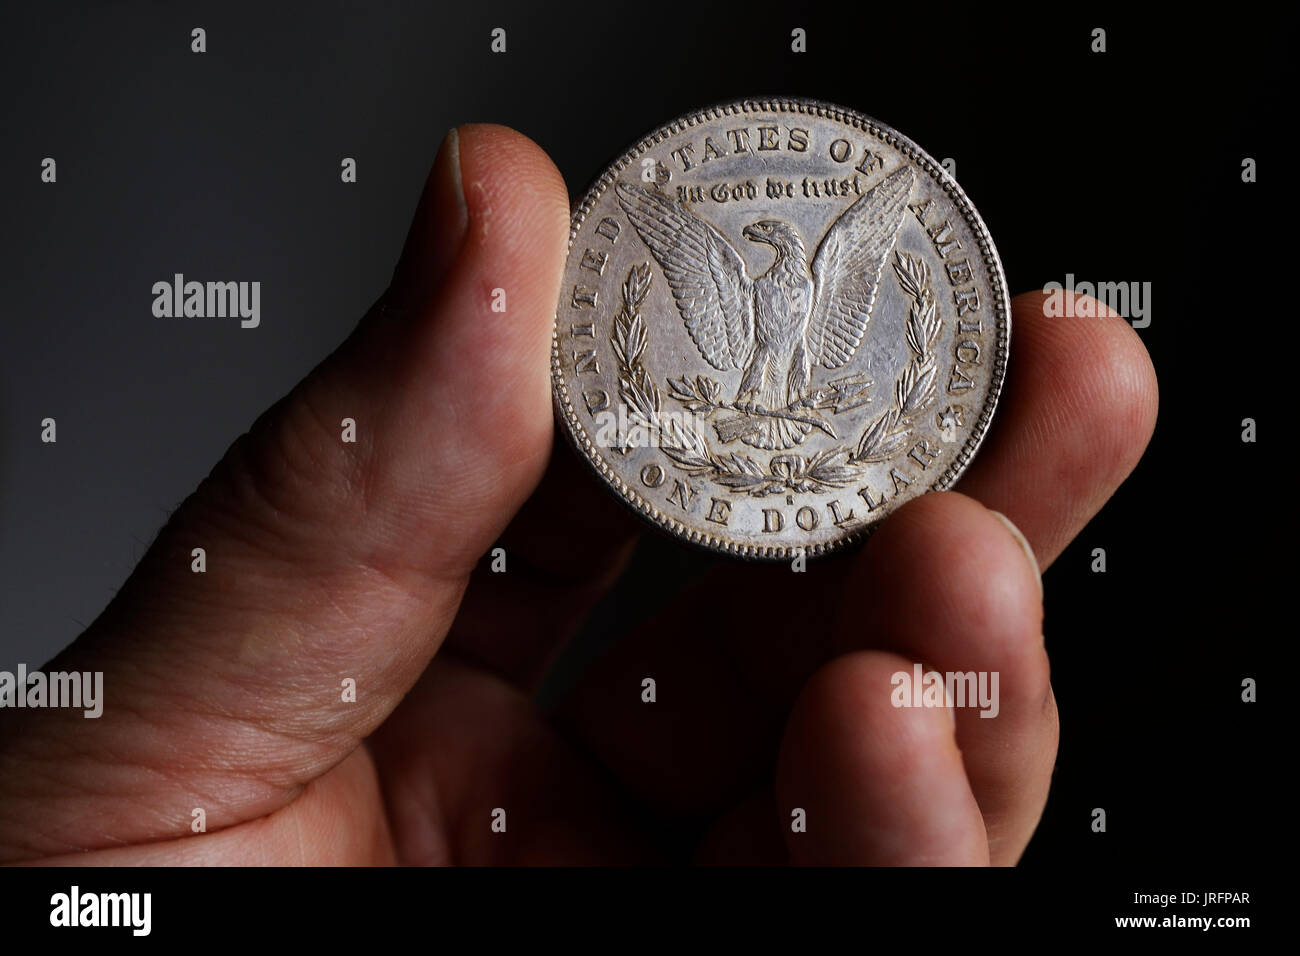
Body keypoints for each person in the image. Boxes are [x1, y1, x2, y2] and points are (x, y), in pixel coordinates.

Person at [0, 124, 1158, 865]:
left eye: (767, 236)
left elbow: (859, 243)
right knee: (903, 706)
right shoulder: (723, 272)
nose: (764, 243)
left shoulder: (829, 274)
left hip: (782, 406)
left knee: (907, 694)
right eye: (758, 235)